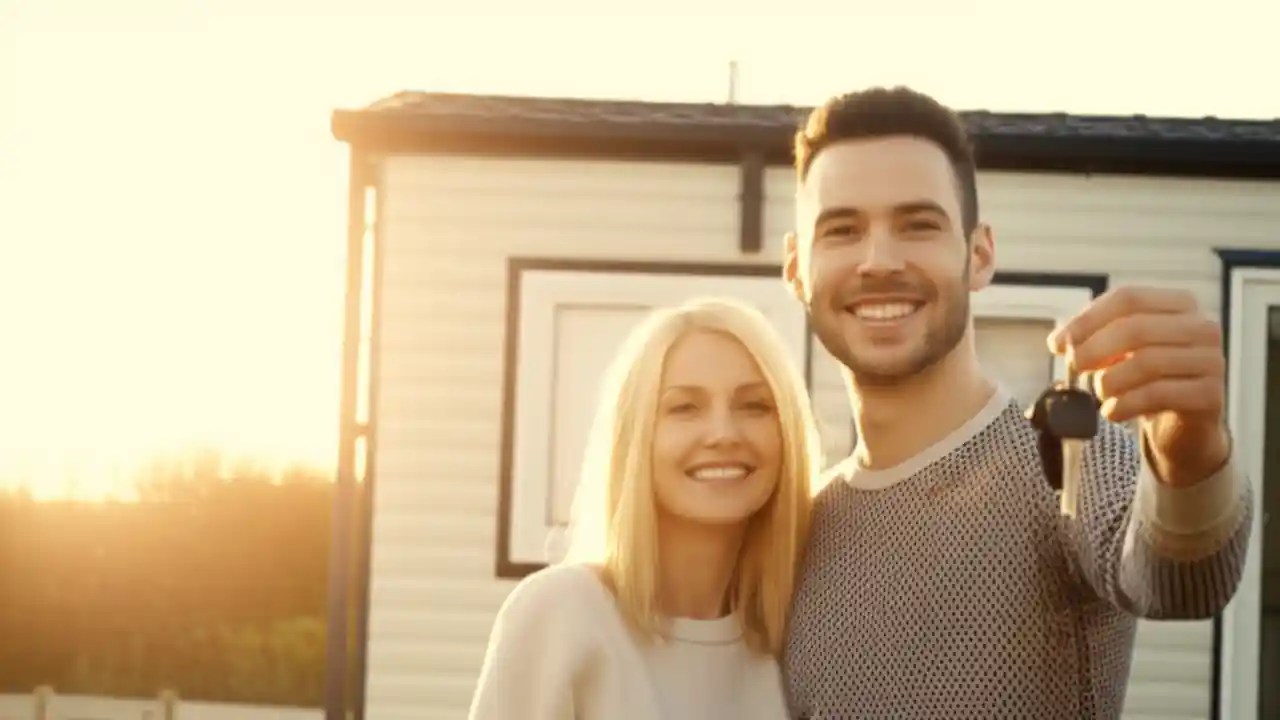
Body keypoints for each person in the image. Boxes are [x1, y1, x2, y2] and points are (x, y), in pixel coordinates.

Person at [779, 86, 1253, 719]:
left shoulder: (1067, 465)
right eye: (842, 230)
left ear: (979, 255)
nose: (879, 261)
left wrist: (1189, 449)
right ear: (796, 269)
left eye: (919, 225)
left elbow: (1180, 578)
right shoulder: (798, 529)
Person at [468, 297, 824, 720]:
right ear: (634, 437)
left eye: (755, 406)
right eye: (684, 408)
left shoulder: (794, 642)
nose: (723, 433)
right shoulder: (561, 613)